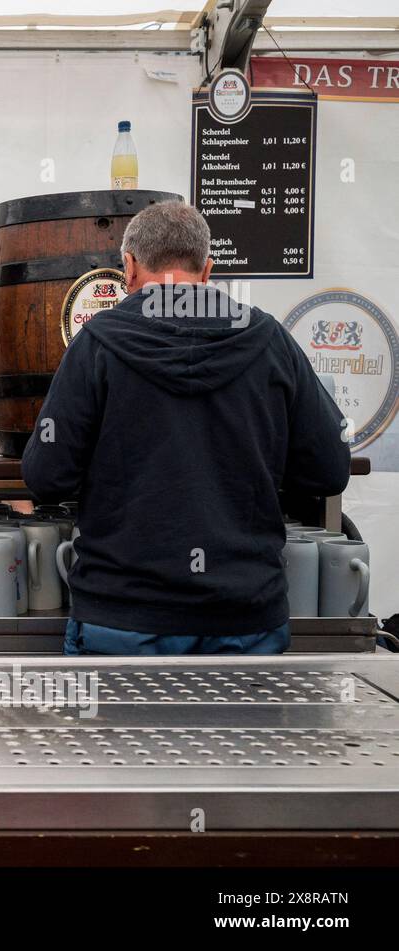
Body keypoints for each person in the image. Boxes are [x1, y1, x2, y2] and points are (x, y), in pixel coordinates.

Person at [22, 201, 350, 655]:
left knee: (115, 732)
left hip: (122, 619)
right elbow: (328, 471)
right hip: (243, 621)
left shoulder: (97, 343)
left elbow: (45, 477)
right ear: (208, 269)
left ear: (130, 267)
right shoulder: (270, 340)